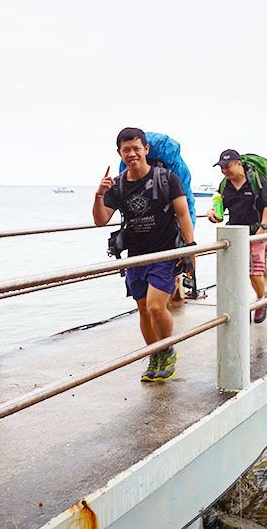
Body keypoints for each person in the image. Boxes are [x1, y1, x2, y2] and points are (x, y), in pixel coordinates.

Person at [93, 127, 195, 383]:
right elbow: (101, 220)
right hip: (136, 256)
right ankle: (154, 355)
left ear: (146, 149)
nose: (132, 154)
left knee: (155, 307)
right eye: (126, 150)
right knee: (142, 310)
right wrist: (99, 195)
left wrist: (190, 248)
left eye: (136, 148)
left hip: (164, 253)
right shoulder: (118, 185)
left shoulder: (167, 178)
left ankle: (167, 349)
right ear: (119, 152)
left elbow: (183, 213)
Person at [206, 149, 267, 323]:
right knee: (235, 271)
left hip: (255, 231)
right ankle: (239, 306)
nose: (224, 171)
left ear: (238, 164)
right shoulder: (225, 185)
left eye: (227, 166)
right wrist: (211, 213)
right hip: (234, 234)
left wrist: (263, 228)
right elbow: (220, 212)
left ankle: (261, 301)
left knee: (255, 271)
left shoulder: (255, 180)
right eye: (221, 168)